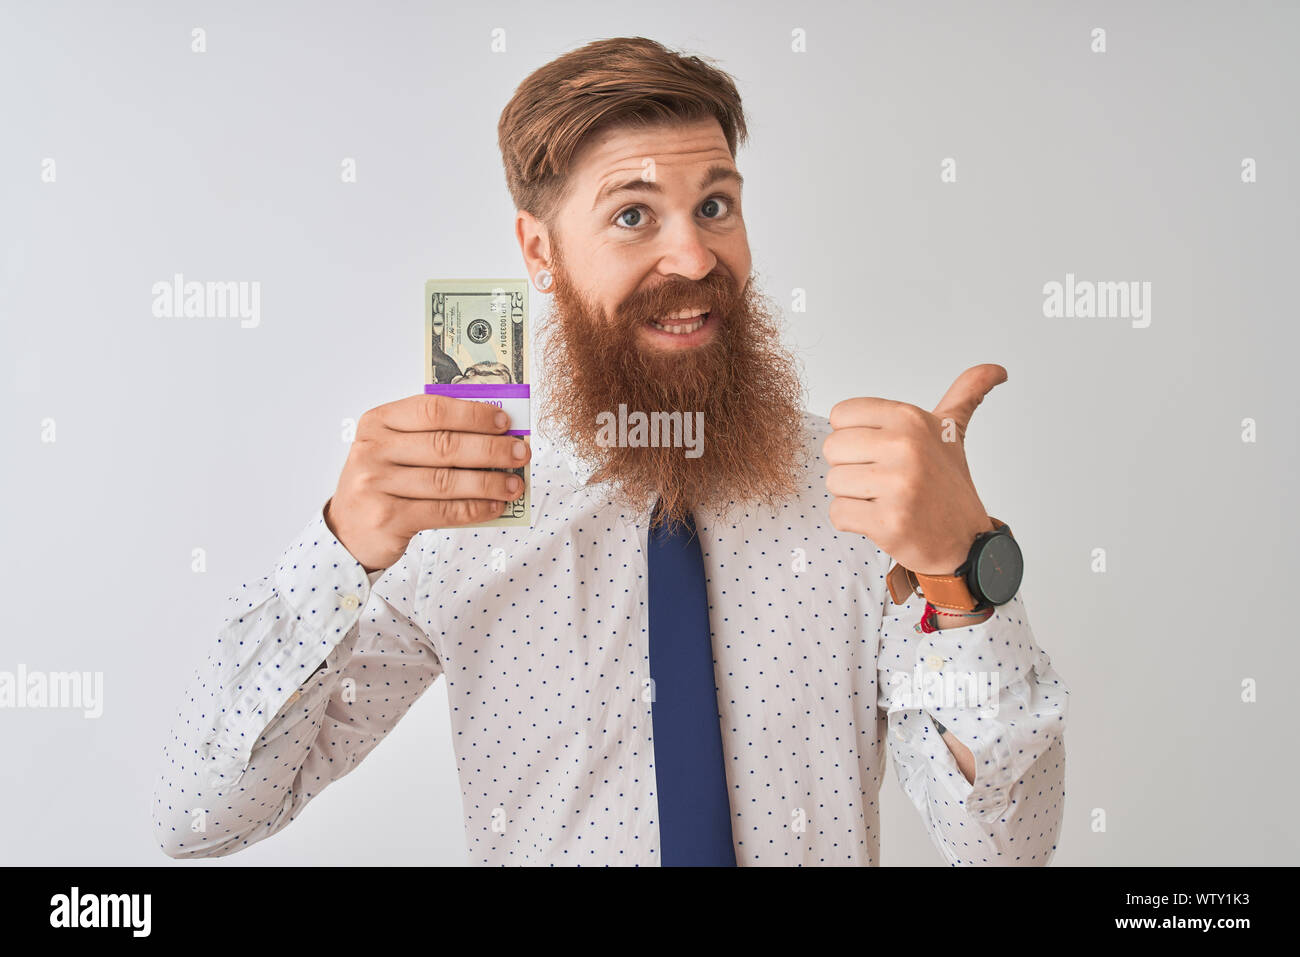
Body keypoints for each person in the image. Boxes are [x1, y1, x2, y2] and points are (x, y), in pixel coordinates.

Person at [152, 36, 1067, 866]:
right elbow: (201, 817)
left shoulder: (868, 500)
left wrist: (962, 573)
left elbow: (1009, 852)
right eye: (633, 216)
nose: (695, 257)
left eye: (716, 205)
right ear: (538, 250)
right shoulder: (460, 511)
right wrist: (339, 548)